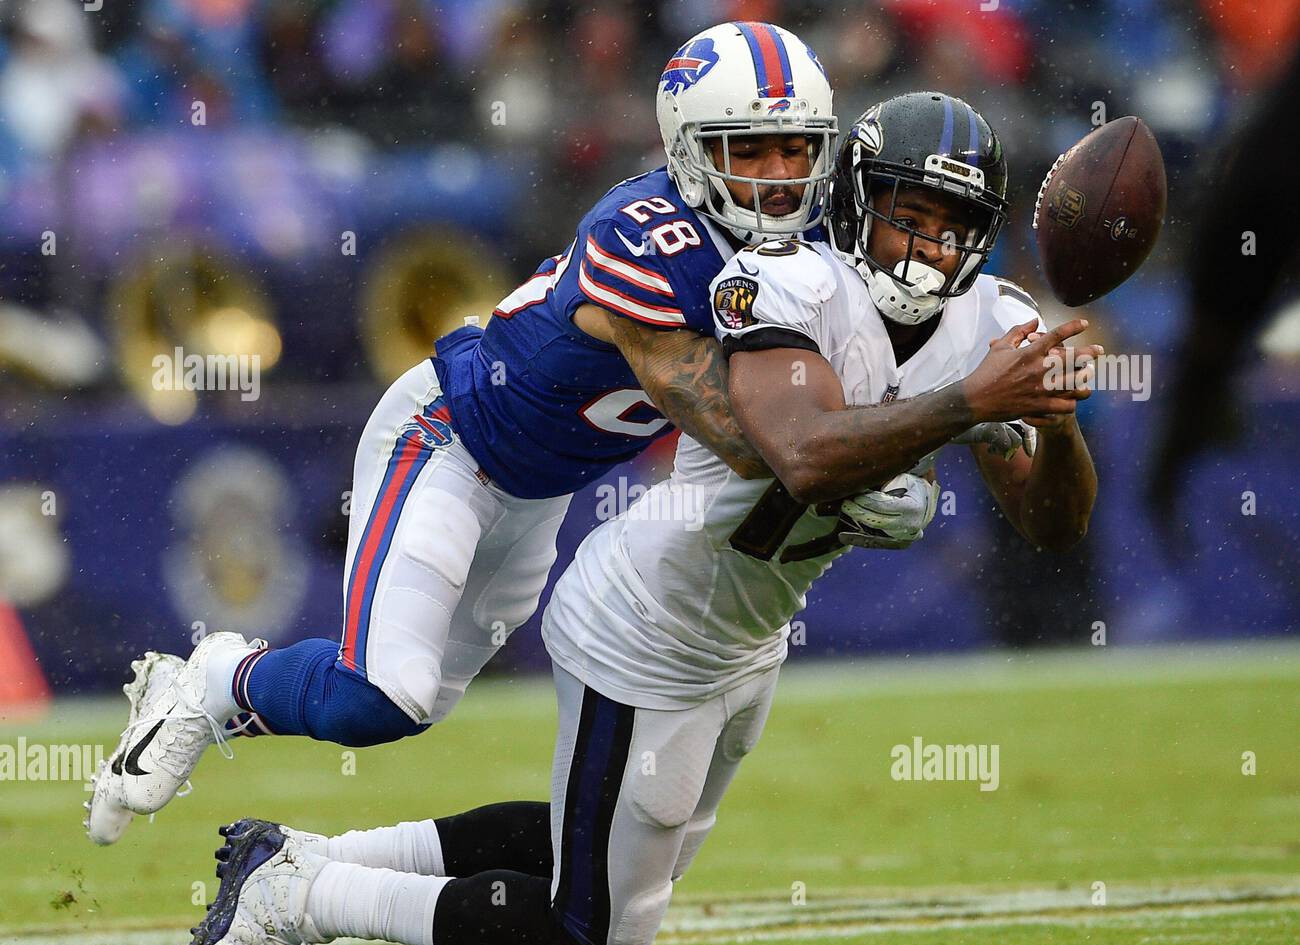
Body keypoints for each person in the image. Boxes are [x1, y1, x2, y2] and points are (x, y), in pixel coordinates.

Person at [180, 92, 1099, 945]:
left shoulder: (991, 323)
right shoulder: (785, 283)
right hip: (646, 621)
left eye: (954, 226)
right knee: (592, 935)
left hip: (748, 633)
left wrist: (1052, 419)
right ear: (859, 202)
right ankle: (296, 895)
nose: (928, 246)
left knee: (603, 846)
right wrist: (967, 406)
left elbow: (1055, 526)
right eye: (910, 215)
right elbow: (805, 454)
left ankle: (303, 860)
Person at [85, 22, 838, 845]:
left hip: (538, 494)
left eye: (797, 149)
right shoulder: (647, 234)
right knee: (383, 691)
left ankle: (236, 709)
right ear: (688, 149)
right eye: (750, 149)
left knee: (392, 712)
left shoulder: (806, 247)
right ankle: (210, 678)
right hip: (450, 437)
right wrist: (864, 462)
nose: (778, 176)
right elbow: (732, 425)